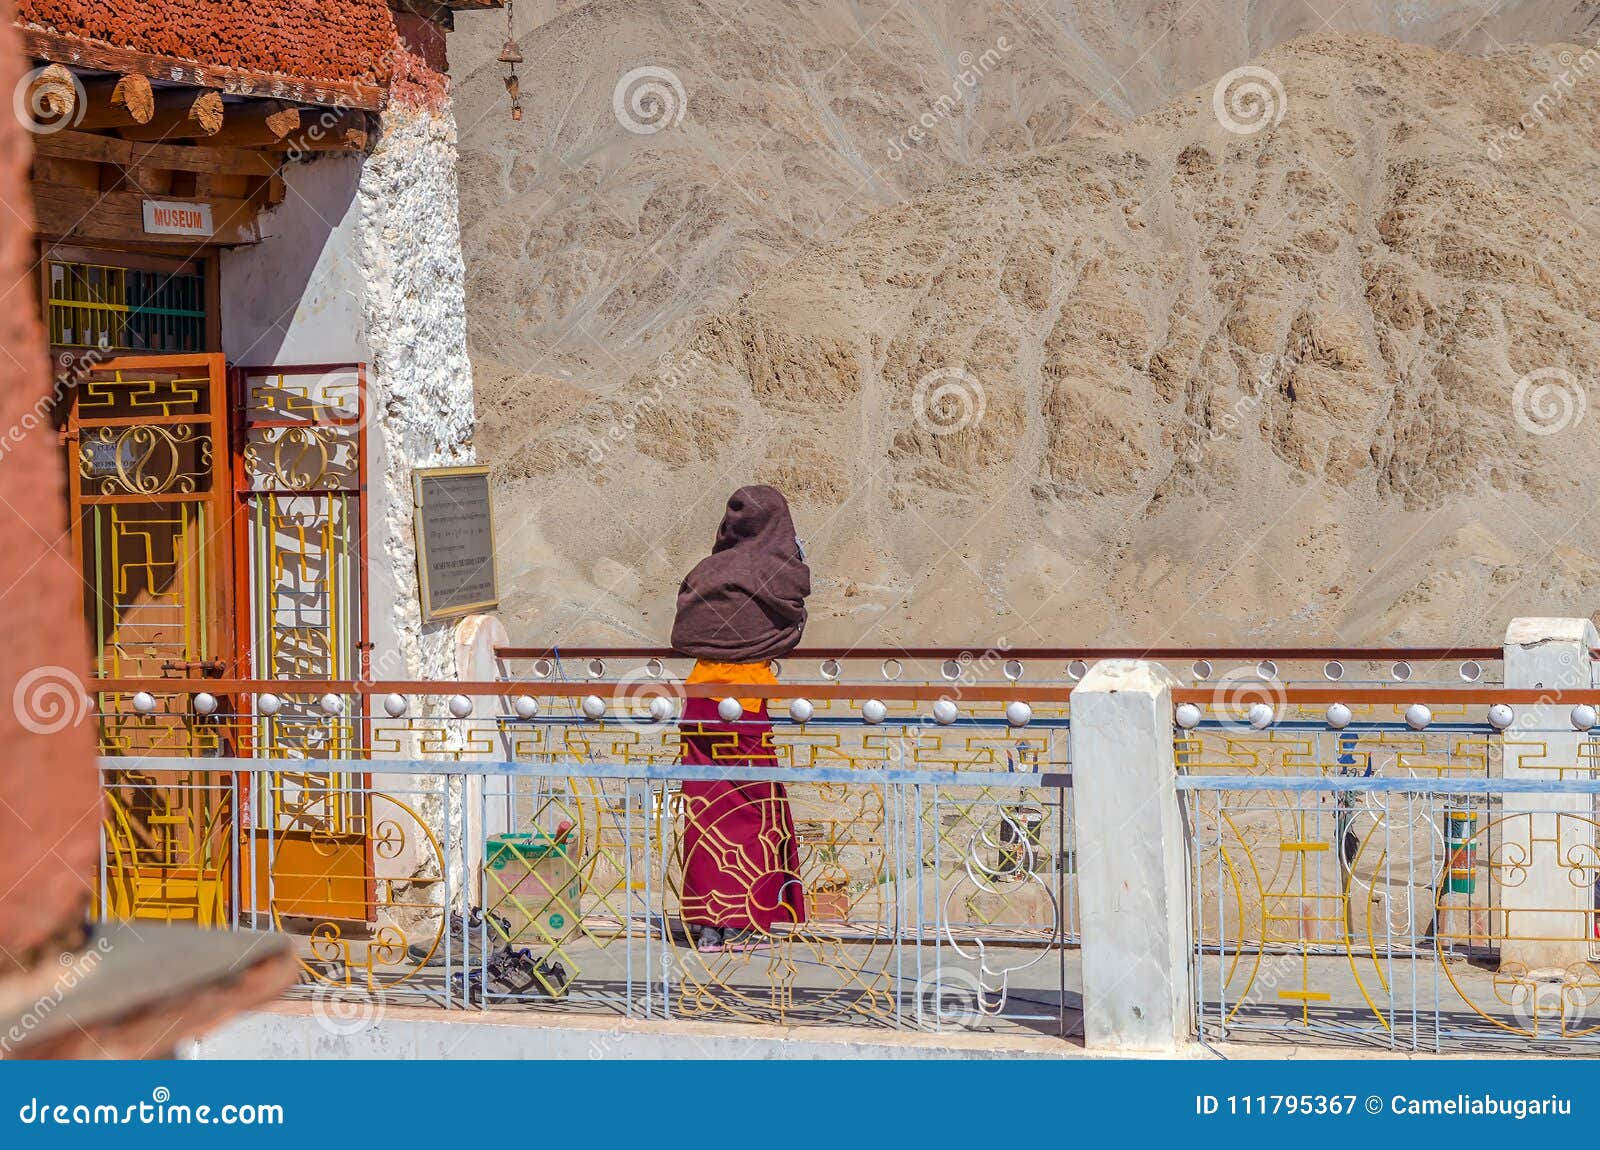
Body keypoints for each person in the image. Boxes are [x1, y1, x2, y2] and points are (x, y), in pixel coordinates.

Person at [671, 485, 810, 953]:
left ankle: (708, 921)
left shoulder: (703, 573)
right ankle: (746, 918)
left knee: (706, 806)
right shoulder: (776, 574)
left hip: (699, 697)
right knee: (753, 807)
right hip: (745, 700)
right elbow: (791, 622)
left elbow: (685, 636)